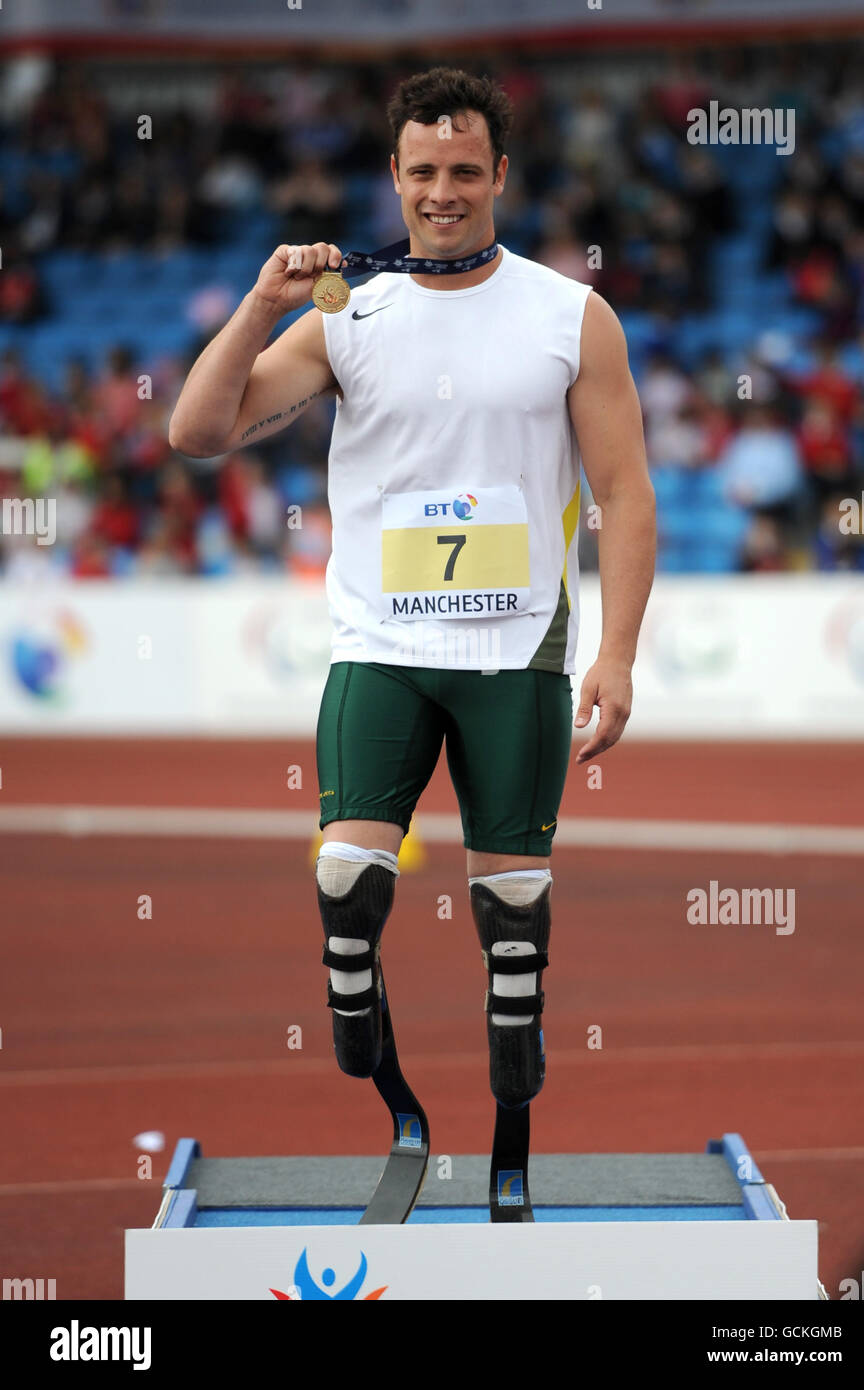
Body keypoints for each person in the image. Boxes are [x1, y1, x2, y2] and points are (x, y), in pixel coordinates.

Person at [169, 66, 655, 1165]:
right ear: (392, 176)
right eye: (424, 171)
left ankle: (512, 1096)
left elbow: (625, 494)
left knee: (513, 909)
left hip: (515, 655)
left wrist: (616, 657)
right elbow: (195, 433)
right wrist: (260, 307)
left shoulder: (570, 317)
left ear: (501, 176)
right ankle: (373, 1058)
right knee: (346, 880)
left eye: (466, 171)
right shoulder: (349, 315)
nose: (445, 192)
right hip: (382, 649)